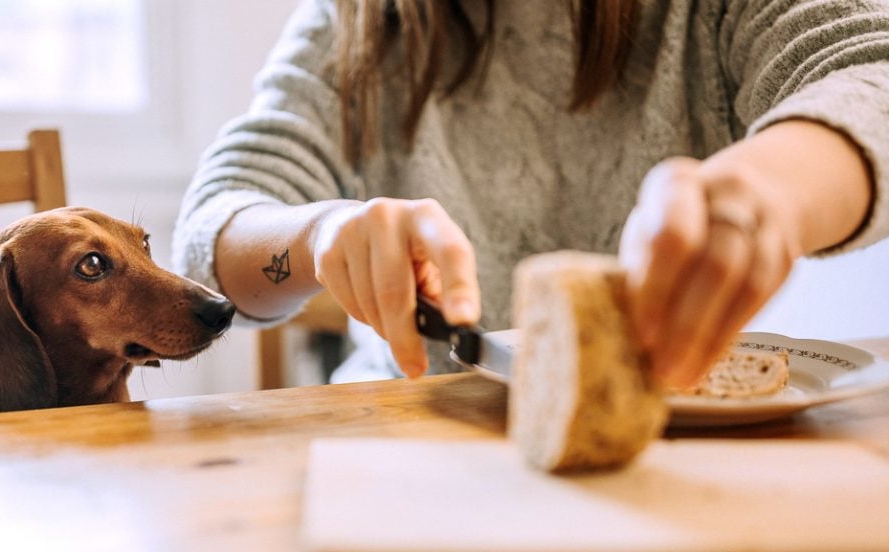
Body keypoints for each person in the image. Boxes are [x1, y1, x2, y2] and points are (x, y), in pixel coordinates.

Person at [173, 0, 889, 388]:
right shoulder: (357, 21)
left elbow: (867, 69)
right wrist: (319, 235)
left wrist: (767, 191)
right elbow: (211, 240)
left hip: (672, 426)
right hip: (414, 428)